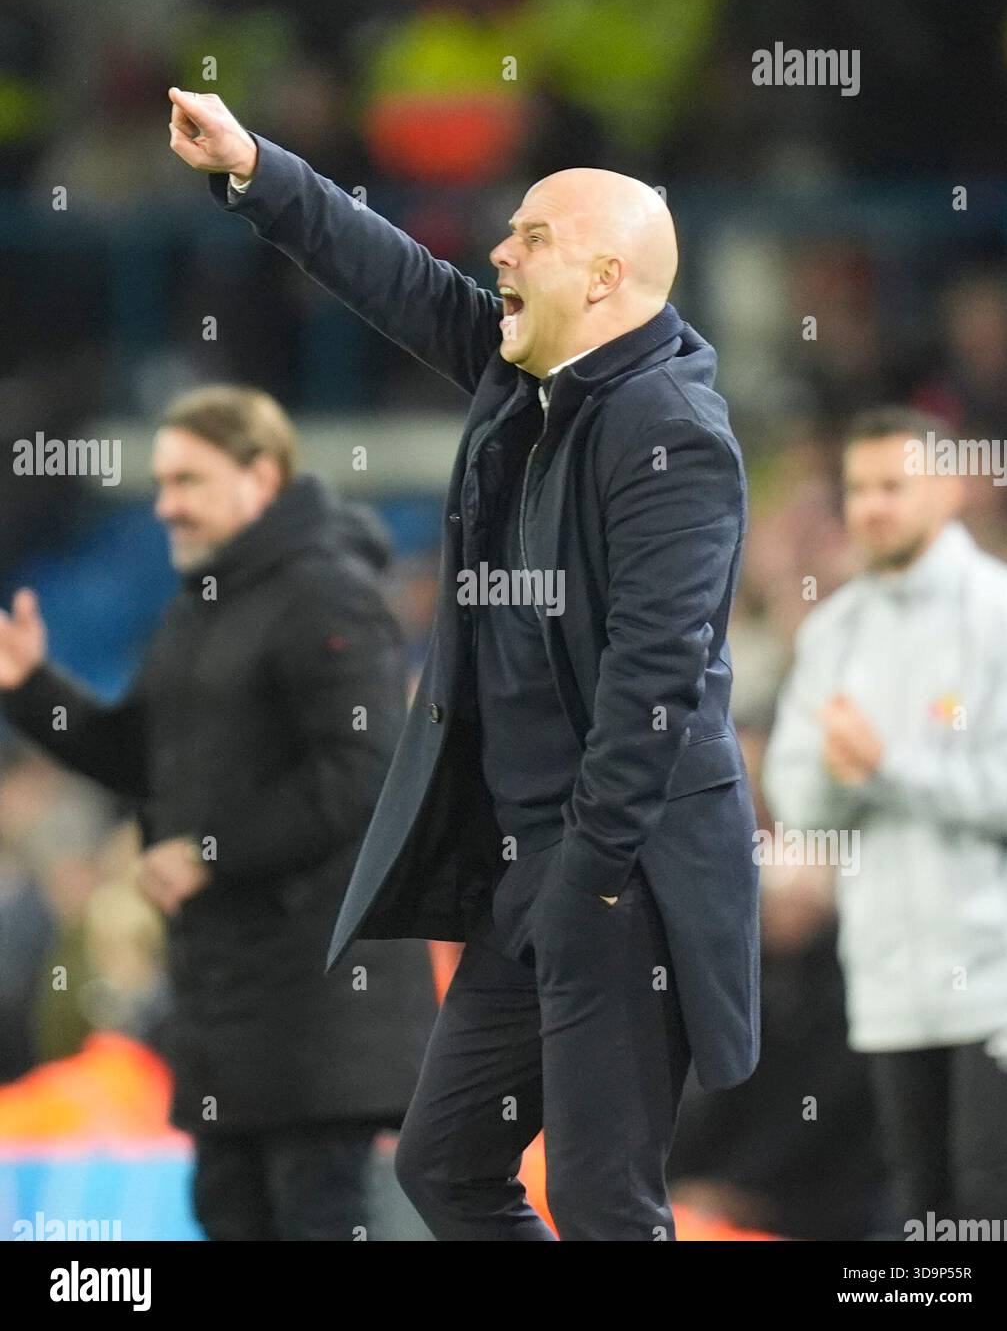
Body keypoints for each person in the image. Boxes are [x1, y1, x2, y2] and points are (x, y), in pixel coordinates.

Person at [168, 89, 759, 1241]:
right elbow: (397, 278)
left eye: (530, 236)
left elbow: (654, 680)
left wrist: (587, 873)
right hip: (524, 869)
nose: (497, 251)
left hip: (616, 873)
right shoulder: (523, 376)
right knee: (443, 1165)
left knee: (603, 1201)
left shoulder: (670, 431)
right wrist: (256, 168)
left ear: (600, 280)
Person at [0, 385, 438, 1240]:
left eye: (189, 481)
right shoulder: (199, 606)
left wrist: (207, 852)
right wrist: (32, 692)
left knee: (316, 1219)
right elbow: (139, 757)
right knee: (231, 1218)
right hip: (226, 1015)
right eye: (161, 482)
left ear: (260, 476)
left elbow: (369, 773)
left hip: (319, 1019)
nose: (165, 505)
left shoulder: (331, 597)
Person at [763, 406, 1007, 1238]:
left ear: (946, 490)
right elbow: (797, 797)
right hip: (887, 980)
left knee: (994, 1207)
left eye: (893, 486)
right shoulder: (836, 631)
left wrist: (885, 768)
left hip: (999, 984)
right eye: (859, 489)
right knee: (923, 1211)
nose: (872, 506)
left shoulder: (1005, 617)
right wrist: (846, 778)